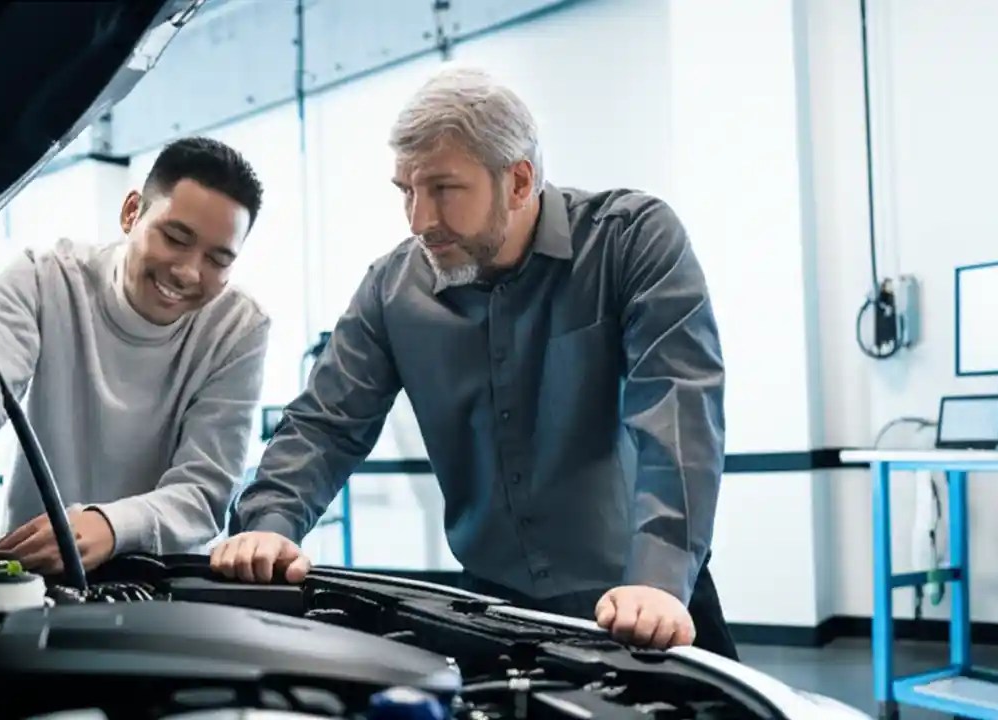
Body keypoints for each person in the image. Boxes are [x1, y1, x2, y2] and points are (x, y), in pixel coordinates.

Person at [210, 67, 738, 660]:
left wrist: (658, 578)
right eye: (405, 191)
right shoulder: (391, 289)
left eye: (443, 189)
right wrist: (269, 524)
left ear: (518, 181)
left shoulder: (631, 240)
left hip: (646, 601)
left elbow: (677, 406)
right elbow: (326, 423)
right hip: (495, 610)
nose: (418, 220)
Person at [0, 136, 271, 583]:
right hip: (31, 576)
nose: (189, 272)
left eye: (218, 259)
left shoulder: (240, 327)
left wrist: (110, 526)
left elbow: (204, 489)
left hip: (162, 581)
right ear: (132, 212)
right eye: (175, 238)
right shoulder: (42, 278)